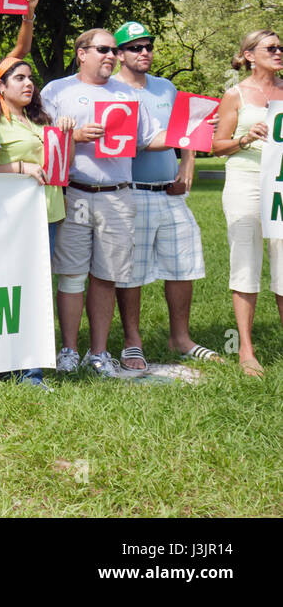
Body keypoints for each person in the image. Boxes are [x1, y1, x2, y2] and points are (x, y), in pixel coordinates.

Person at [40, 28, 169, 378]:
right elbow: (40, 139)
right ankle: (68, 350)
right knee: (71, 275)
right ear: (82, 53)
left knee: (107, 276)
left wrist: (192, 132)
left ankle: (98, 353)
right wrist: (73, 136)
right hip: (76, 192)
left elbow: (148, 138)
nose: (111, 56)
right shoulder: (57, 91)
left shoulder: (128, 94)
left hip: (118, 194)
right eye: (103, 49)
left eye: (114, 50)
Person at [111, 21, 220, 367]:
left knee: (182, 264)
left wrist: (187, 165)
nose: (144, 53)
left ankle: (180, 338)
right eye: (135, 47)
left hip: (171, 193)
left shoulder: (166, 87)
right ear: (118, 55)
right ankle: (132, 340)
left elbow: (187, 129)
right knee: (131, 271)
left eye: (148, 46)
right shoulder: (111, 90)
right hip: (132, 192)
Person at [0, 57, 71, 390]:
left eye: (30, 78)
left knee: (36, 293)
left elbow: (60, 166)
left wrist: (66, 137)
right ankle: (22, 371)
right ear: (0, 87)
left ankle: (25, 368)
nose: (28, 84)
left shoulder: (40, 120)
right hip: (12, 220)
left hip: (48, 214)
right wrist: (19, 168)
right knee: (13, 294)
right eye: (18, 78)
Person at [212, 29, 283, 377]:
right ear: (249, 55)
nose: (279, 51)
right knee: (246, 259)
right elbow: (216, 144)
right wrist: (245, 137)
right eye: (271, 47)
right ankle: (246, 349)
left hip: (280, 184)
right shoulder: (235, 94)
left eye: (281, 47)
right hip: (245, 180)